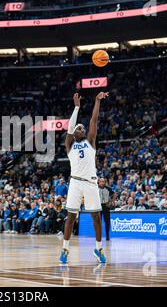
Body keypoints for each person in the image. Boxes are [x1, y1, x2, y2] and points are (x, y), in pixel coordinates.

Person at [60, 91, 109, 265]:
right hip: (75, 182)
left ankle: (98, 248)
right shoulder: (69, 145)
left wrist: (97, 100)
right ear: (74, 133)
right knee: (70, 217)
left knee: (96, 217)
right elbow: (70, 127)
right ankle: (65, 249)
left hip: (90, 183)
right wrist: (76, 107)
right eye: (78, 128)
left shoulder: (90, 141)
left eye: (82, 127)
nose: (81, 129)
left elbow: (93, 121)